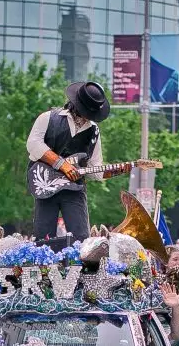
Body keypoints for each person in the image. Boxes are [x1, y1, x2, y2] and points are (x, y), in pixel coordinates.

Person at [26, 81, 130, 240]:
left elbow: (96, 170)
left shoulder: (94, 131)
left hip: (75, 189)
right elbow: (33, 144)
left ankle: (81, 265)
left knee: (82, 238)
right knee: (43, 237)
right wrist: (62, 164)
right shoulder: (48, 118)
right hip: (45, 183)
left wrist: (121, 169)